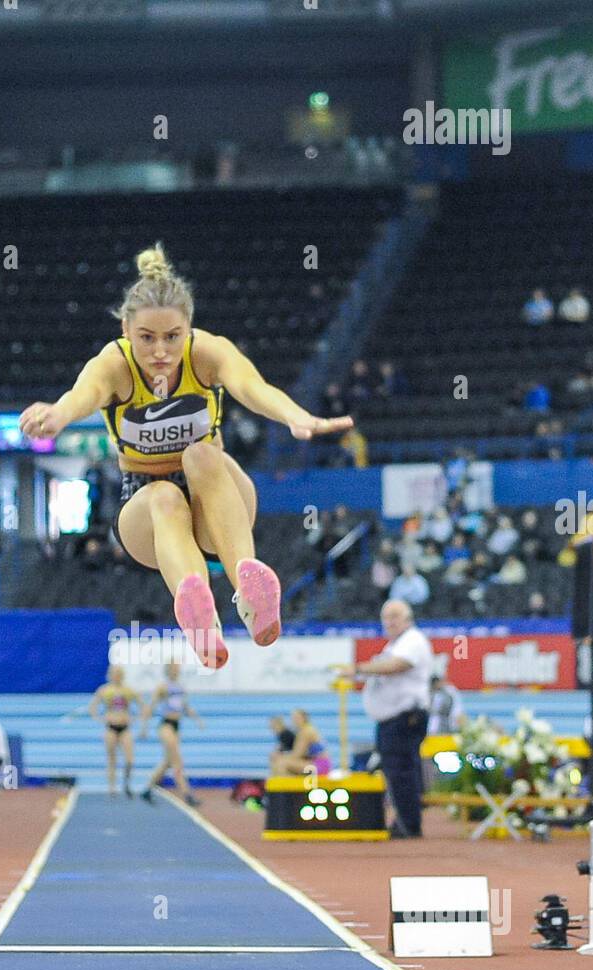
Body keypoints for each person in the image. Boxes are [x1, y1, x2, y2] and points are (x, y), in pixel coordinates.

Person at [18, 242, 353, 670]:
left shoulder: (207, 352)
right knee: (163, 496)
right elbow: (83, 395)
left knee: (201, 456)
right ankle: (200, 618)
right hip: (148, 512)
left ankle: (248, 588)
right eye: (147, 338)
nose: (160, 351)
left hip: (217, 501)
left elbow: (251, 387)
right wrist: (57, 414)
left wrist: (295, 416)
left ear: (189, 329)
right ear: (125, 329)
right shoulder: (112, 365)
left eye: (172, 337)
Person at [345, 599, 434, 838]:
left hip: (404, 719)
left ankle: (408, 824)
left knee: (401, 771)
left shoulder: (413, 640)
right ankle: (405, 821)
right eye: (386, 617)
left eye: (395, 616)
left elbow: (397, 665)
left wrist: (360, 669)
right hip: (394, 720)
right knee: (398, 771)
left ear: (408, 617)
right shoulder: (396, 644)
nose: (390, 622)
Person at [139, 662, 204, 806]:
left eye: (178, 668)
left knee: (167, 762)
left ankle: (147, 790)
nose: (177, 671)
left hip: (176, 725)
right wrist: (144, 728)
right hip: (166, 725)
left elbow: (185, 707)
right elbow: (151, 707)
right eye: (174, 668)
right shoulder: (162, 687)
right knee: (177, 762)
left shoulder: (181, 687)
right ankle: (187, 795)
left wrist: (197, 720)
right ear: (168, 670)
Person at [89, 666, 140, 796]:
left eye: (118, 673)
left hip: (125, 728)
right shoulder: (105, 690)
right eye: (114, 673)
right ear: (110, 675)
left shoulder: (128, 690)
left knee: (130, 759)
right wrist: (101, 718)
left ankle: (126, 783)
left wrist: (134, 718)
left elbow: (142, 706)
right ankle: (112, 787)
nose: (116, 676)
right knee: (112, 759)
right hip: (111, 728)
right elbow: (92, 707)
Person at [270, 708, 332, 777]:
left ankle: (287, 787)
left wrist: (280, 757)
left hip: (319, 766)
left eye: (296, 718)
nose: (294, 721)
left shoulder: (306, 732)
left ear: (304, 718)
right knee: (280, 761)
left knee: (281, 763)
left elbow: (297, 754)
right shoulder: (307, 729)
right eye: (293, 718)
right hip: (318, 764)